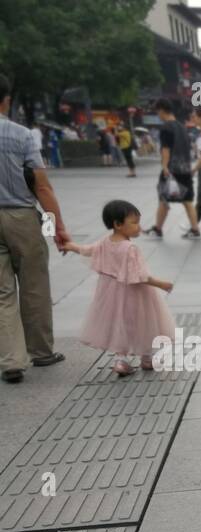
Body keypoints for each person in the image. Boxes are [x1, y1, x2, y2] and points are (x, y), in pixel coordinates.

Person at [0, 75, 69, 384]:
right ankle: (40, 352)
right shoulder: (22, 135)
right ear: (7, 100)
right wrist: (57, 228)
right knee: (35, 284)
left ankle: (11, 360)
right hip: (22, 217)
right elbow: (42, 187)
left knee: (2, 293)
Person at [63, 200, 175, 376]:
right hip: (135, 294)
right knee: (142, 322)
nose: (139, 227)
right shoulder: (130, 248)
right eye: (134, 223)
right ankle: (146, 358)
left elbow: (87, 250)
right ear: (117, 224)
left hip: (111, 294)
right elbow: (141, 276)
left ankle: (121, 361)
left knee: (120, 324)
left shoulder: (104, 242)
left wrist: (70, 246)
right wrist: (162, 284)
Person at [144, 99, 201, 239]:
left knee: (163, 198)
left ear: (162, 110)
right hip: (185, 169)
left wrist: (164, 166)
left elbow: (165, 149)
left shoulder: (166, 127)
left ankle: (157, 230)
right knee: (187, 200)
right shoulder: (182, 127)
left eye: (158, 112)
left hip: (172, 169)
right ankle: (195, 230)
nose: (158, 115)